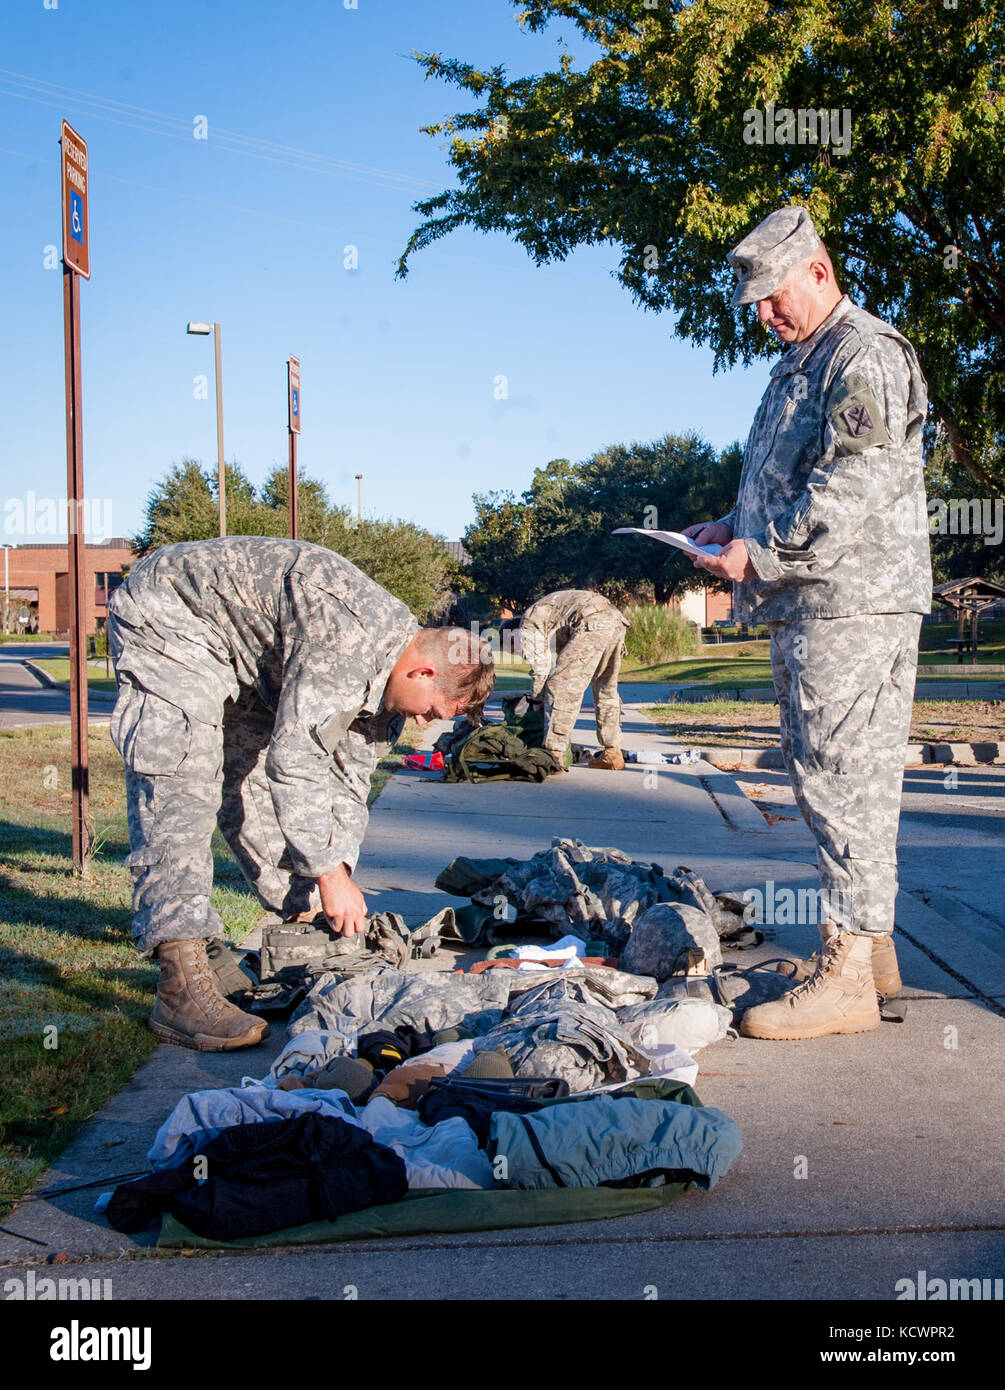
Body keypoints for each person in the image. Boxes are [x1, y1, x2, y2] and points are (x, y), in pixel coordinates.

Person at [684, 205, 931, 1041]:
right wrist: (731, 525)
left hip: (850, 601)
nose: (761, 313)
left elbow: (850, 487)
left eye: (771, 294)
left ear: (818, 271)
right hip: (817, 597)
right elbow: (786, 474)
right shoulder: (804, 359)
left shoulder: (860, 353)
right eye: (752, 301)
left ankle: (846, 975)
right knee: (840, 779)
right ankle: (871, 952)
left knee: (840, 780)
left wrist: (759, 553)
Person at [107, 536, 494, 1052]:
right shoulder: (349, 642)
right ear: (421, 671)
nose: (423, 722)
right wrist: (328, 876)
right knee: (184, 779)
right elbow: (296, 761)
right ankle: (179, 976)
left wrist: (333, 883)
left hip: (245, 652)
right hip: (174, 614)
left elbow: (348, 784)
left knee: (244, 782)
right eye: (430, 711)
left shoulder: (387, 688)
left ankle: (297, 923)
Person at [519, 589, 629, 771]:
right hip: (615, 620)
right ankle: (613, 753)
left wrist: (537, 700)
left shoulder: (528, 623)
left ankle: (553, 755)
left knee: (560, 686)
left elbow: (541, 670)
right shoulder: (551, 618)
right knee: (605, 688)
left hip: (591, 622)